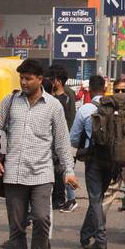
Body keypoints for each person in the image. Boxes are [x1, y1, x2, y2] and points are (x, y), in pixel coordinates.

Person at [0, 59, 78, 249]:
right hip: (14, 174)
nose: (24, 82)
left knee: (41, 219)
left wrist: (68, 171)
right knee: (16, 226)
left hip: (42, 173)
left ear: (40, 79)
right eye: (22, 78)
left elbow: (62, 142)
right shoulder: (10, 101)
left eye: (28, 78)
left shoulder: (54, 106)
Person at [71, 76, 107, 249]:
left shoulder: (85, 109)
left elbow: (73, 139)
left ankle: (100, 239)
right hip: (113, 160)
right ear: (105, 89)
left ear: (90, 91)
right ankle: (85, 234)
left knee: (94, 199)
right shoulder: (114, 107)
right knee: (98, 199)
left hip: (94, 160)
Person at [46, 65, 77, 212]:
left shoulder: (68, 95)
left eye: (52, 79)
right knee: (52, 169)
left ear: (57, 81)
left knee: (61, 169)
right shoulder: (49, 95)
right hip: (48, 138)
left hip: (62, 137)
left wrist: (66, 138)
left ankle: (62, 199)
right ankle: (55, 198)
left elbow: (71, 118)